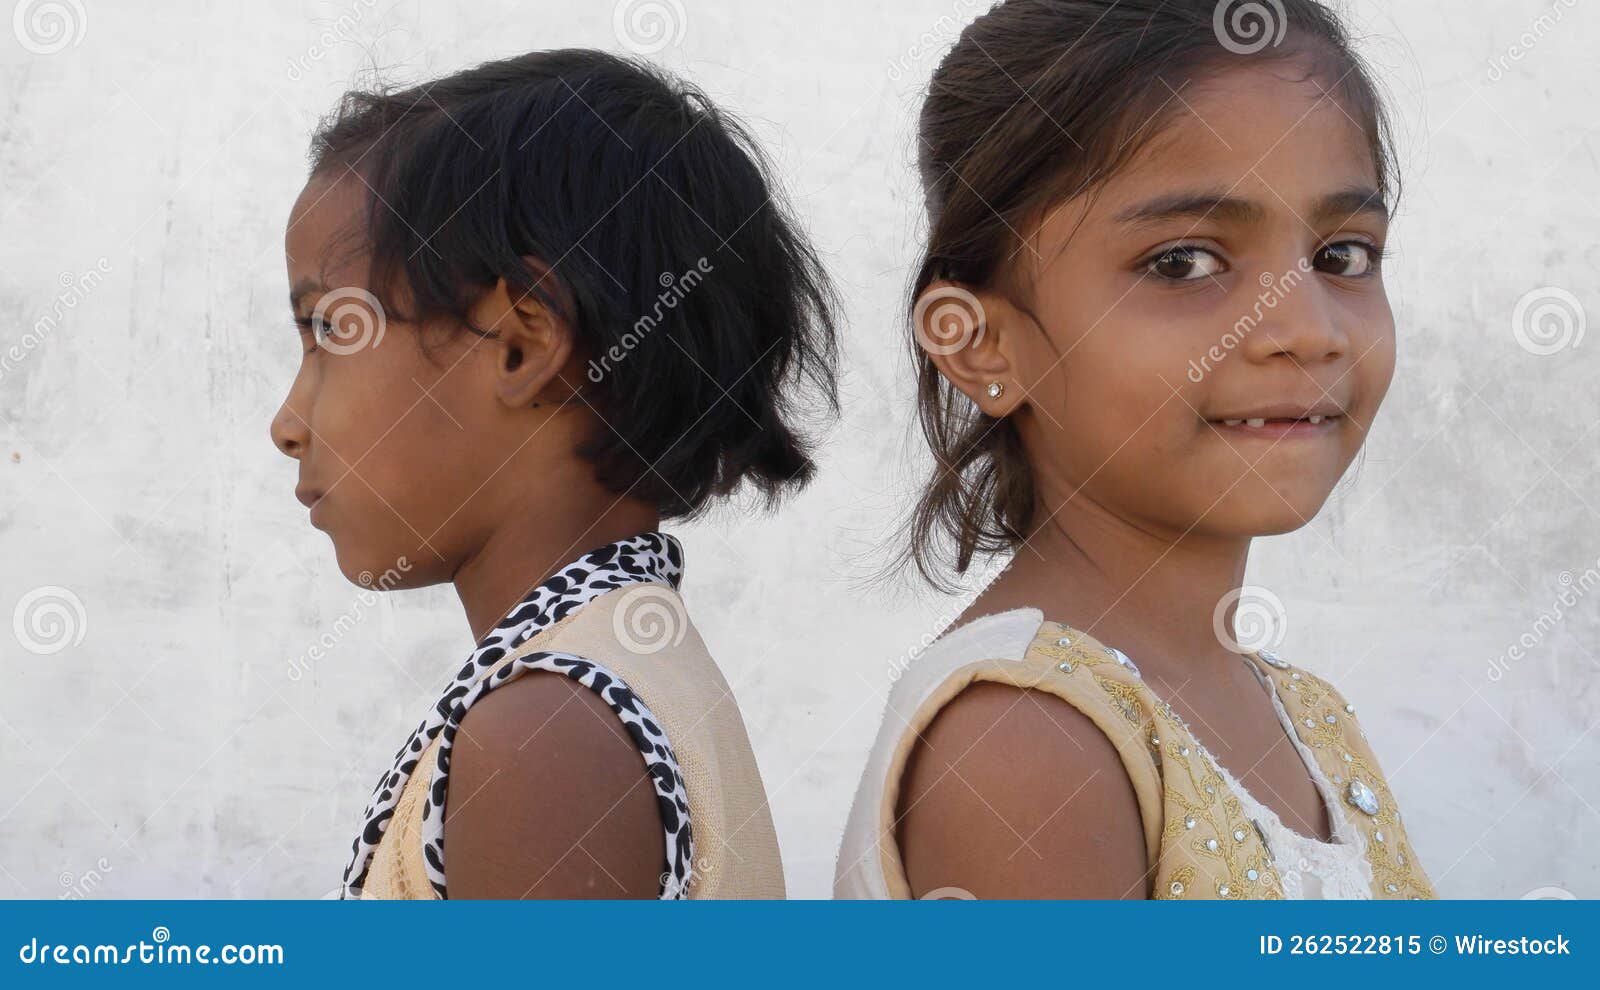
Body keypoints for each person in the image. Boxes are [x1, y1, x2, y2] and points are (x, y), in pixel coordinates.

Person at [837, 0, 1435, 899]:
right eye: (1184, 263)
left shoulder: (1309, 720)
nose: (1310, 332)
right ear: (983, 346)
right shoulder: (1027, 745)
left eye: (1343, 255)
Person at [272, 48, 838, 899]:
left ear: (520, 344)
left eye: (329, 332)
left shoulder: (543, 737)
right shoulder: (620, 673)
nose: (289, 423)